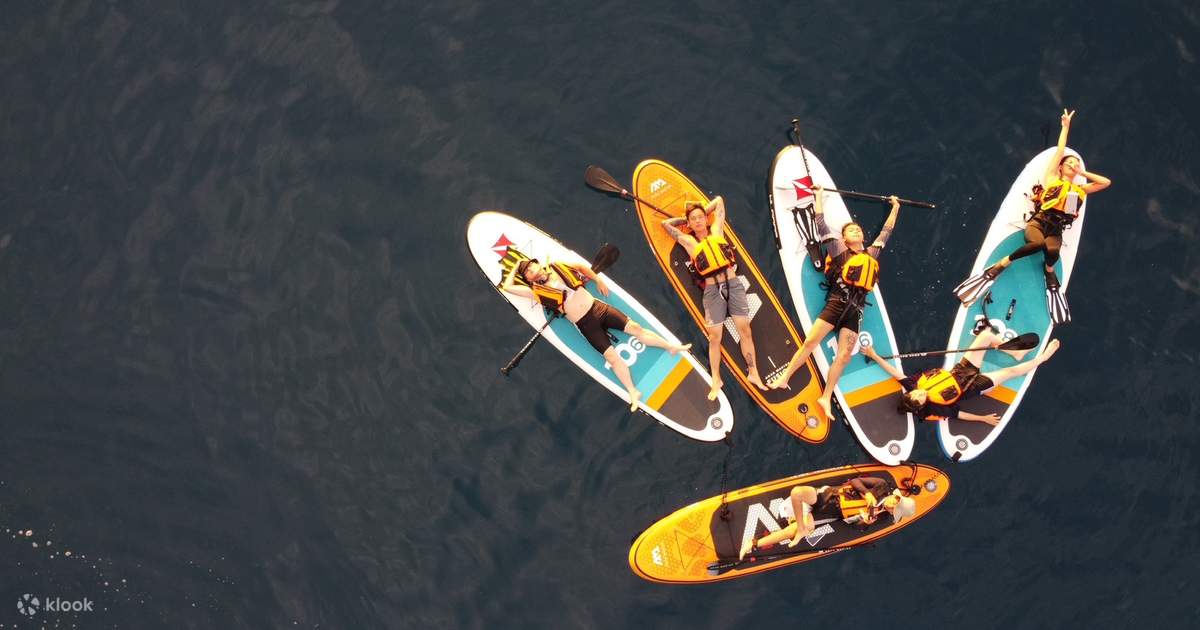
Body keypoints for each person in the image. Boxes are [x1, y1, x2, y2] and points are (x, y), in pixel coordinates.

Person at [953, 109, 1113, 324]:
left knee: (1053, 252)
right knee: (1037, 245)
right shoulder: (1052, 178)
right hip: (1039, 223)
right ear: (1061, 167)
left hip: (1056, 229)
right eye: (1070, 164)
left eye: (1075, 165)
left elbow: (1105, 182)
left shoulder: (1080, 190)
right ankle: (1002, 264)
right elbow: (1060, 150)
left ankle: (1049, 271)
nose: (1073, 166)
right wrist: (1065, 127)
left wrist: (1082, 174)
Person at [766, 186, 901, 419]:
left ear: (863, 237)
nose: (856, 231)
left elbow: (886, 232)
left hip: (855, 312)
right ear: (844, 238)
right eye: (850, 230)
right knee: (810, 342)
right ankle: (785, 378)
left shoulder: (871, 254)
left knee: (844, 356)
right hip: (836, 304)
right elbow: (820, 223)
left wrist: (895, 207)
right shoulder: (838, 248)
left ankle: (826, 397)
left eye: (858, 229)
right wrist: (818, 196)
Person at [501, 257, 690, 412]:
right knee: (611, 357)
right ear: (528, 279)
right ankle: (633, 392)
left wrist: (598, 280)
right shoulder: (535, 292)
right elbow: (507, 287)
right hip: (585, 324)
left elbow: (582, 267)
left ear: (537, 264)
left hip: (599, 308)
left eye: (530, 266)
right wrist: (516, 266)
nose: (530, 270)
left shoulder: (557, 266)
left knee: (636, 329)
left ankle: (671, 347)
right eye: (527, 272)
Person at [662, 196, 765, 400]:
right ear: (689, 224)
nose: (698, 221)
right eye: (693, 219)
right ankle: (716, 379)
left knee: (745, 330)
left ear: (706, 218)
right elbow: (666, 224)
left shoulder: (717, 230)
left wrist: (702, 210)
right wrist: (685, 219)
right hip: (712, 292)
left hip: (734, 285)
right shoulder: (689, 242)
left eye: (701, 217)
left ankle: (753, 372)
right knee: (714, 338)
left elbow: (719, 201)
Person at [861, 327, 1060, 425]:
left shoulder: (912, 386)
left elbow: (894, 372)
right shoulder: (934, 407)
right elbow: (958, 414)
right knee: (1010, 372)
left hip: (961, 370)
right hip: (975, 385)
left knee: (986, 335)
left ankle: (1014, 353)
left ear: (910, 393)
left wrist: (874, 355)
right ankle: (1043, 358)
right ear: (921, 405)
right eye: (921, 399)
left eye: (916, 394)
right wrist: (983, 419)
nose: (921, 394)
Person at [738, 476, 917, 560]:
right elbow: (855, 481)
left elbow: (857, 527)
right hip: (827, 496)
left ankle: (753, 544)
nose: (892, 507)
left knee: (797, 529)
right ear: (896, 498)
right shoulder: (881, 485)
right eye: (895, 504)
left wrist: (864, 522)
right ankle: (801, 528)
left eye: (894, 510)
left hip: (828, 512)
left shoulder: (883, 517)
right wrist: (866, 493)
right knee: (797, 492)